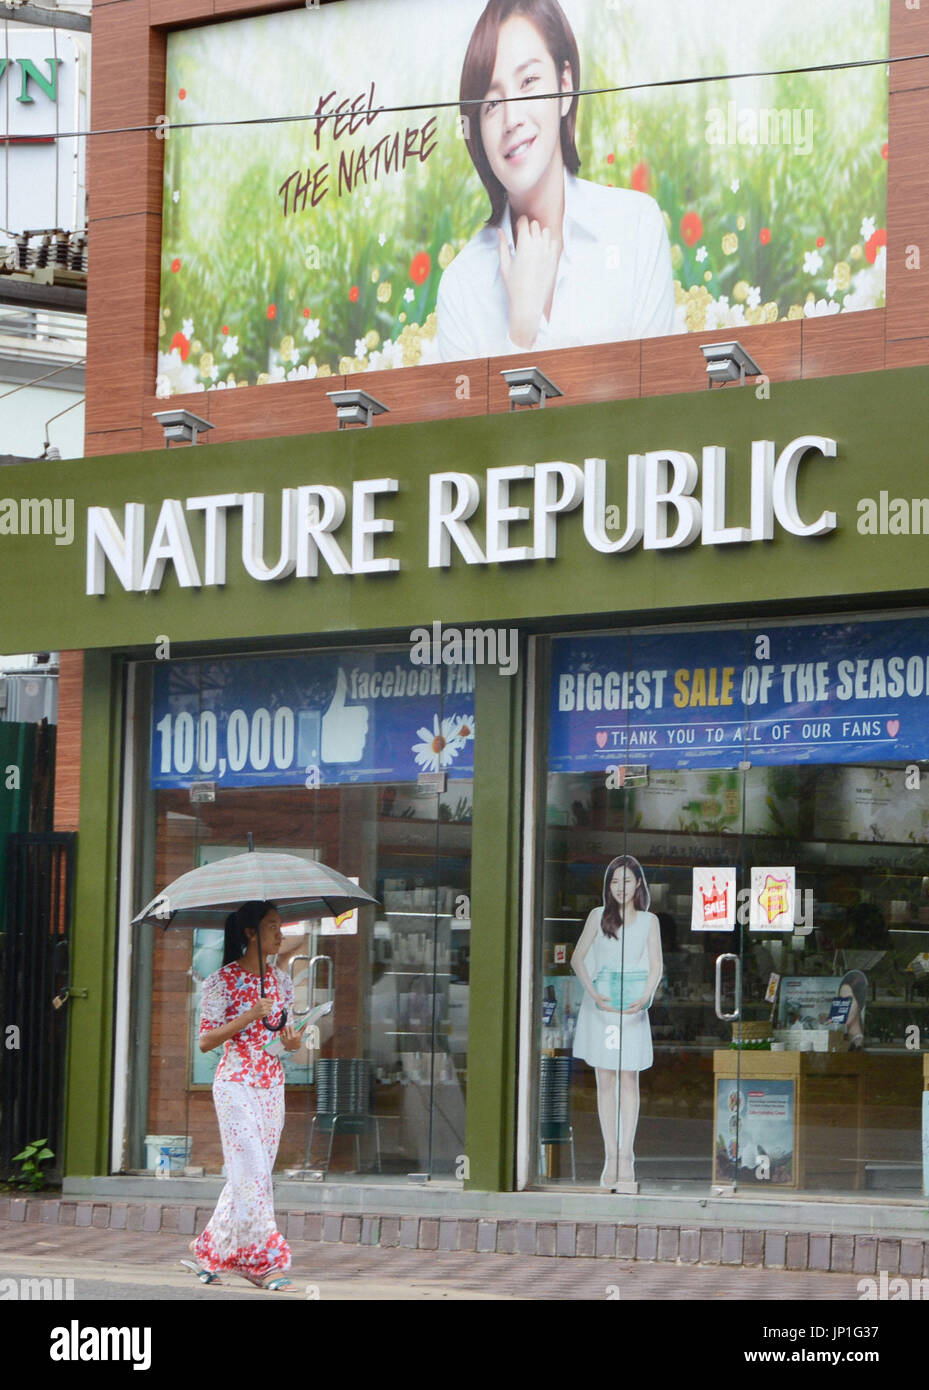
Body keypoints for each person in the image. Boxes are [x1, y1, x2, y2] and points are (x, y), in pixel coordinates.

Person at [437, 0, 676, 361]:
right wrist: (520, 332)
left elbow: (658, 405)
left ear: (565, 85)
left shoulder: (636, 228)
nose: (512, 118)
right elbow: (478, 421)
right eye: (491, 104)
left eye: (529, 82)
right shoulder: (461, 287)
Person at [187, 900, 303, 1291]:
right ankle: (263, 1262)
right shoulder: (220, 981)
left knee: (249, 1175)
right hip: (235, 1085)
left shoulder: (283, 982)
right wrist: (247, 1016)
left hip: (272, 1087)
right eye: (272, 926)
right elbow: (205, 1041)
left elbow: (284, 1037)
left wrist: (293, 1041)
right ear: (250, 932)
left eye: (280, 926)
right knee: (252, 1174)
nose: (280, 934)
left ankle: (208, 1249)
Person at [571, 855, 663, 1188]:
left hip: (633, 1010)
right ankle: (611, 1154)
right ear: (608, 886)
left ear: (638, 883)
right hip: (604, 1009)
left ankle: (626, 1154)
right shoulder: (598, 916)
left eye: (626, 881)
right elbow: (577, 958)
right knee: (605, 1080)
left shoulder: (649, 921)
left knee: (629, 1079)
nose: (620, 887)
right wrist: (594, 994)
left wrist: (646, 997)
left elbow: (656, 965)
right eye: (614, 881)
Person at [838, 969, 868, 1050]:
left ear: (859, 1003)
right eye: (841, 1000)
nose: (844, 1006)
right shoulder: (837, 1036)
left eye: (849, 1000)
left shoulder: (858, 1042)